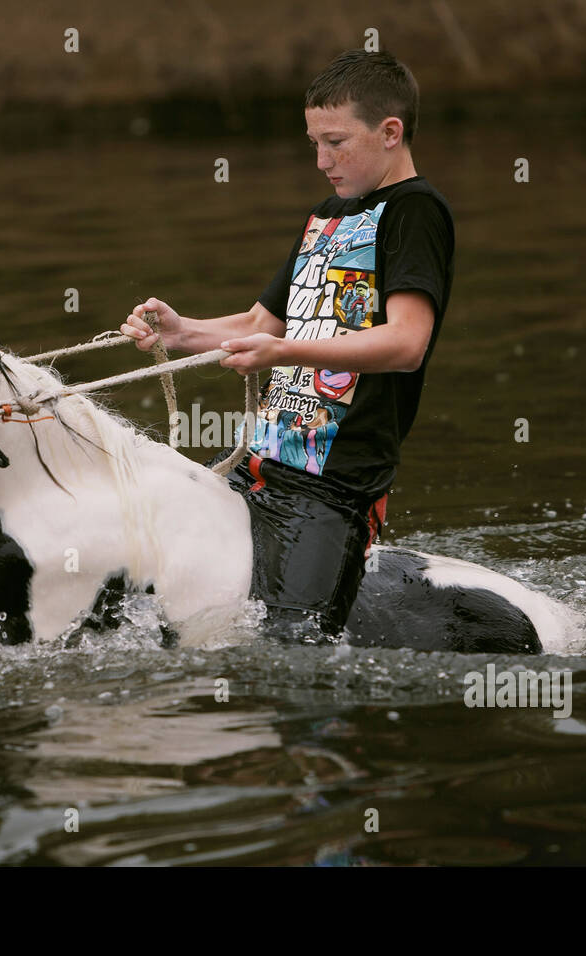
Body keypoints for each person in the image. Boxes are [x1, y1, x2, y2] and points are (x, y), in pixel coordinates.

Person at [121, 49, 455, 642]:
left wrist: (284, 355)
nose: (322, 161)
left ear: (390, 132)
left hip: (336, 485)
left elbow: (407, 342)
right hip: (262, 464)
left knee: (294, 649)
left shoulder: (417, 213)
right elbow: (261, 324)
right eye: (313, 144)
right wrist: (182, 332)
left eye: (335, 142)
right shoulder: (326, 216)